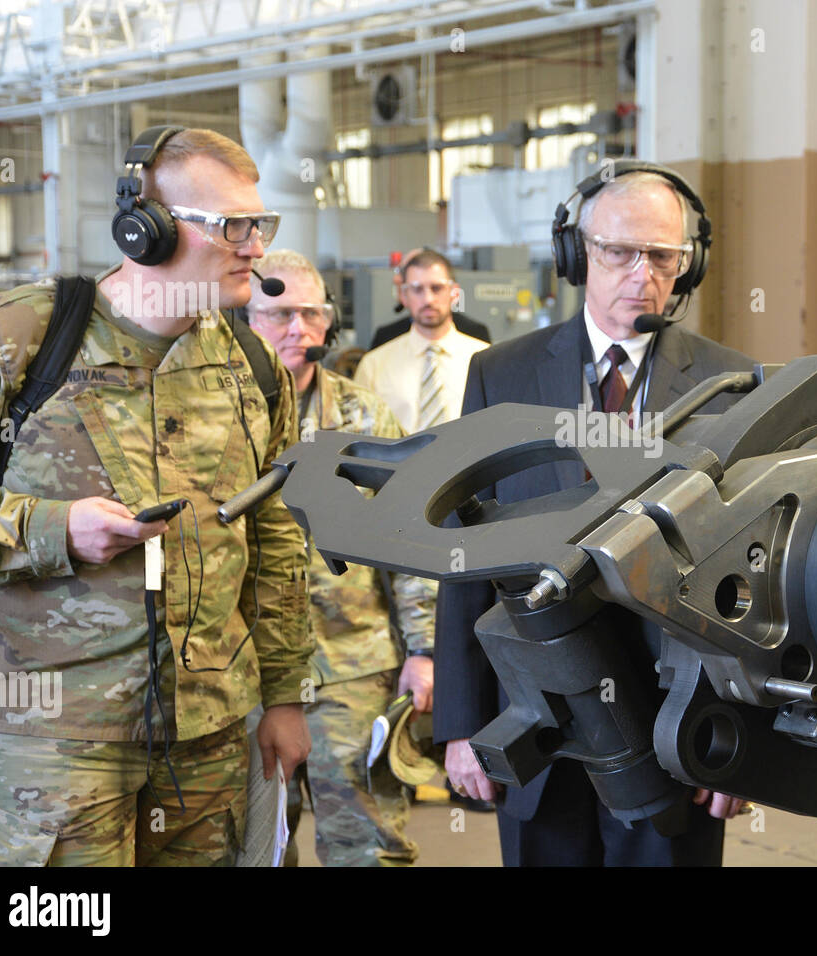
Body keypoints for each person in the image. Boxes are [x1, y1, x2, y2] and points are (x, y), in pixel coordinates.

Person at [0, 127, 312, 866]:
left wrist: (283, 695)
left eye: (261, 225)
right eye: (232, 227)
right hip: (52, 732)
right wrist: (52, 529)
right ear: (143, 229)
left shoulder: (250, 364)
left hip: (208, 733)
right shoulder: (17, 339)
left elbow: (277, 534)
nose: (254, 246)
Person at [435, 164, 754, 866]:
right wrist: (461, 724)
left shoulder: (732, 384)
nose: (642, 273)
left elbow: (749, 573)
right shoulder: (502, 375)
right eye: (618, 251)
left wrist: (746, 742)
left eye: (663, 256)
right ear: (577, 255)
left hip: (676, 726)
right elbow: (462, 555)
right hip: (536, 711)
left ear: (687, 265)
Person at [246, 249, 436, 866]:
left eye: (309, 313)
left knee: (368, 844)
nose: (296, 328)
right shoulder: (218, 419)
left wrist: (426, 650)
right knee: (252, 847)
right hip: (241, 668)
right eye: (277, 315)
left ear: (329, 323)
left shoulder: (364, 417)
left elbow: (406, 539)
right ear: (243, 322)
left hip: (353, 663)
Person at [354, 250, 490, 432]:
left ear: (455, 293)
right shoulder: (374, 366)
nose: (428, 299)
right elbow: (360, 437)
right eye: (417, 289)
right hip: (397, 461)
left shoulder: (486, 360)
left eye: (437, 288)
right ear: (403, 296)